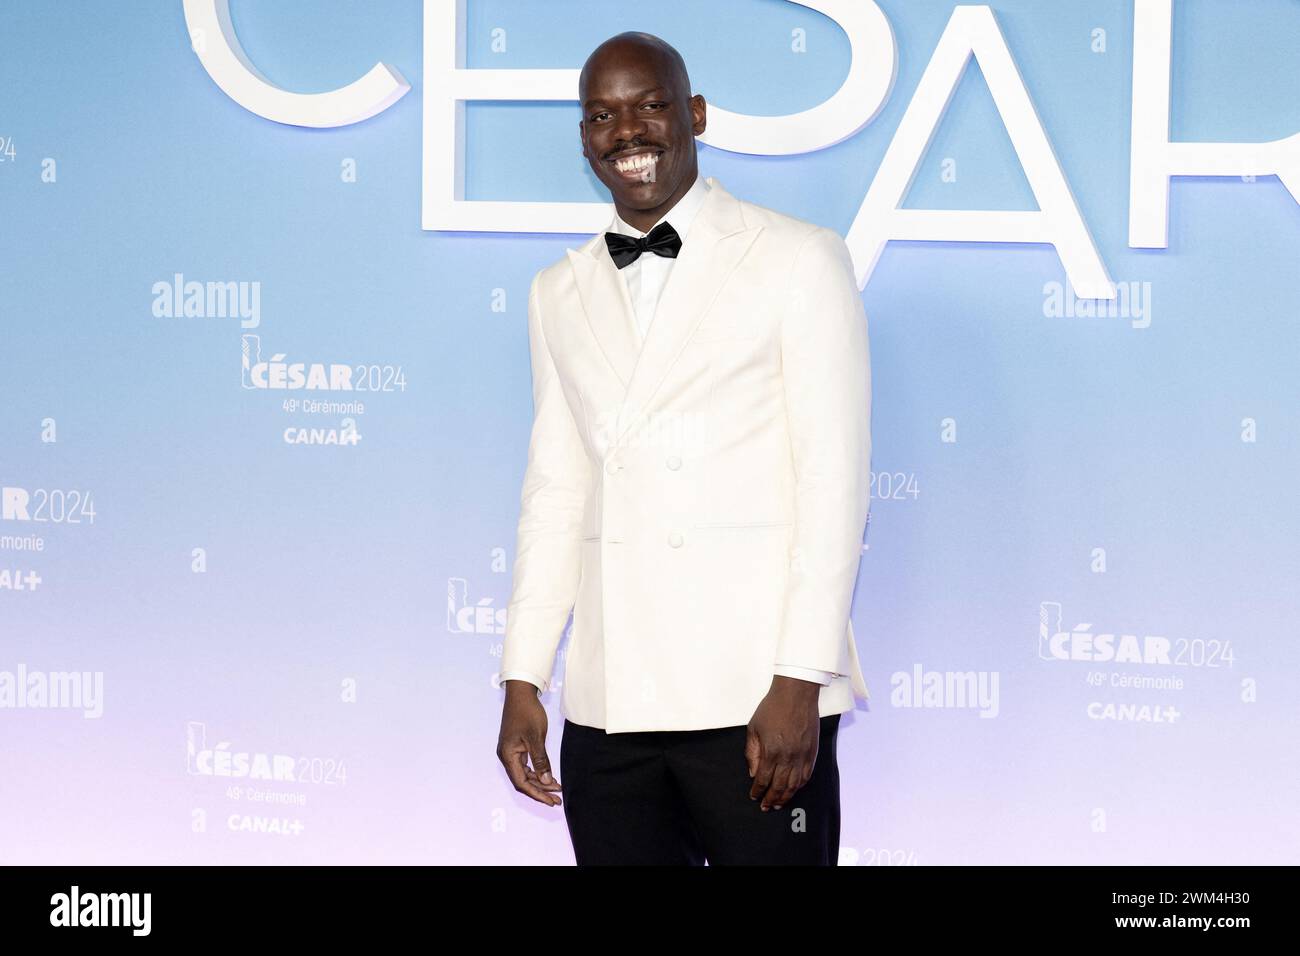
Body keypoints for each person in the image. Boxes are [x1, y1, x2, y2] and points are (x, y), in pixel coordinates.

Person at [495, 31, 872, 865]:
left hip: (753, 697)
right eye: (602, 115)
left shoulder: (799, 258)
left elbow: (833, 482)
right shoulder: (557, 291)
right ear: (586, 136)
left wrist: (800, 679)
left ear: (694, 114)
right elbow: (556, 492)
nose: (628, 131)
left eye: (651, 105)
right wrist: (524, 679)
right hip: (609, 706)